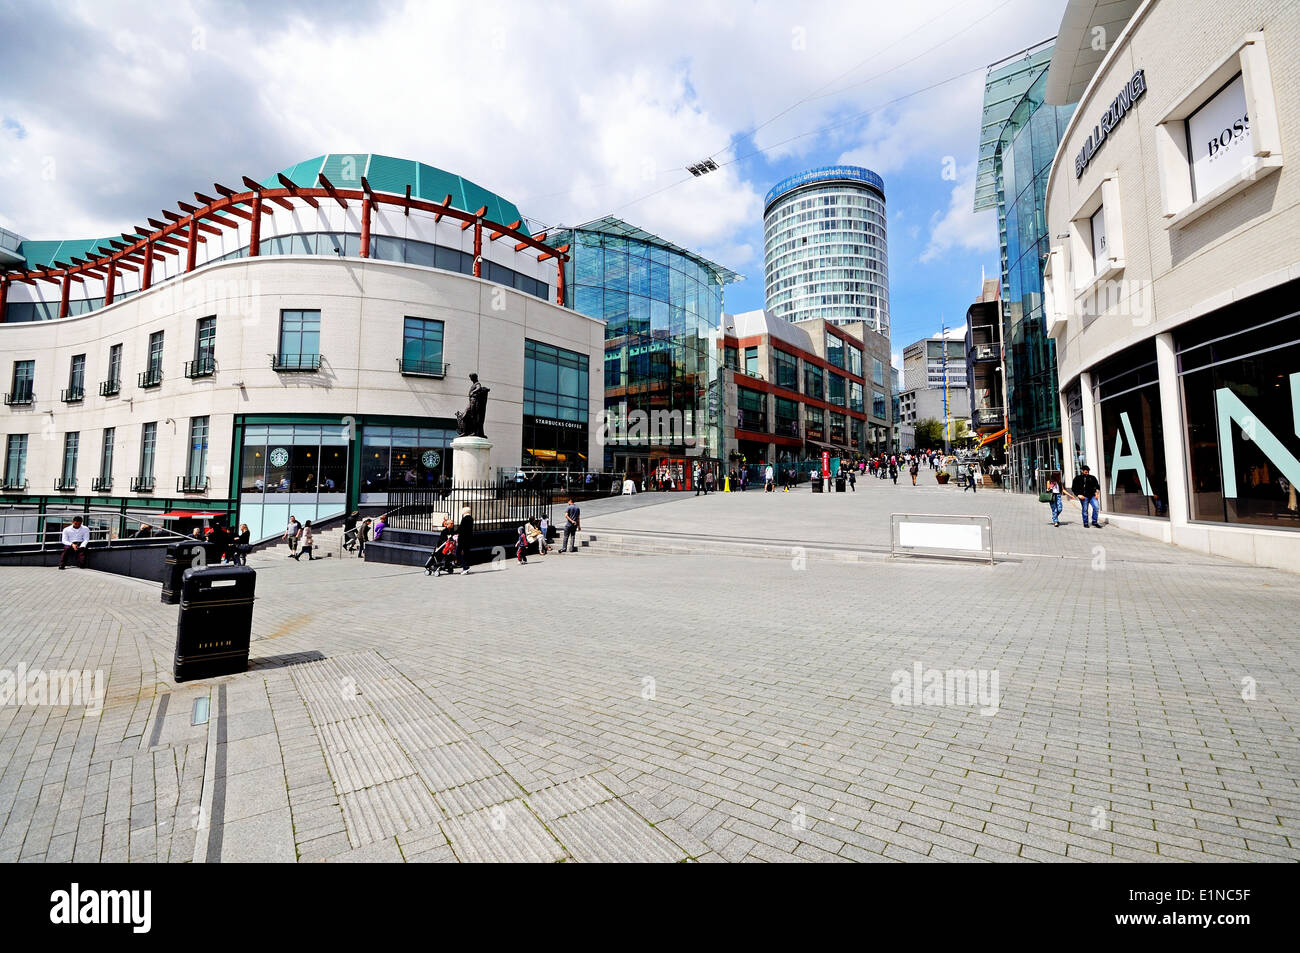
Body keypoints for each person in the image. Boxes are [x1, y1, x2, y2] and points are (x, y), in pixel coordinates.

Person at [1071, 463, 1102, 528]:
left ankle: (1094, 522)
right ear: (1082, 471)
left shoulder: (1092, 478)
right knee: (1085, 510)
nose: (1086, 471)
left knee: (1096, 507)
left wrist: (1097, 493)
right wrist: (1078, 495)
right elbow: (1073, 488)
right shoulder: (1077, 478)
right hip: (1083, 497)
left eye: (1087, 470)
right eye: (1085, 470)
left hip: (1092, 496)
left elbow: (1097, 486)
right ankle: (1085, 523)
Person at [457, 506, 474, 574]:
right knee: (466, 553)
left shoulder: (465, 519)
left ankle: (465, 567)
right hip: (468, 538)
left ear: (465, 511)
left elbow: (461, 529)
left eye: (462, 510)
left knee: (458, 553)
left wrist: (454, 533)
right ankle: (466, 567)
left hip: (463, 539)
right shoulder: (471, 518)